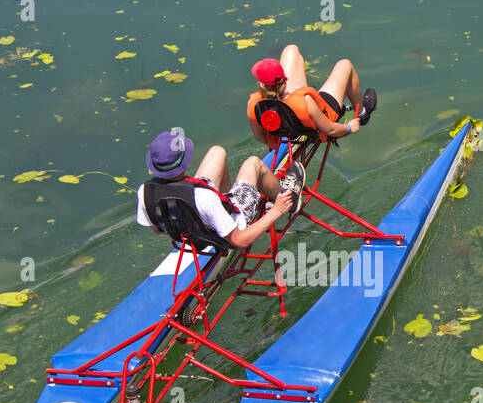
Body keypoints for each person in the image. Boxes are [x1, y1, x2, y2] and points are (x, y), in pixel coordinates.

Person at [137, 129, 293, 250]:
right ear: (184, 164)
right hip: (224, 231)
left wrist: (188, 228)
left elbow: (157, 230)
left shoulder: (144, 191)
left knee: (216, 152)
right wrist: (276, 211)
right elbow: (240, 241)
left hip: (196, 227)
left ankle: (220, 213)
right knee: (253, 163)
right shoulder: (204, 197)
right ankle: (286, 197)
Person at [247, 44, 377, 150]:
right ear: (284, 81)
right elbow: (330, 129)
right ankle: (362, 113)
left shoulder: (254, 104)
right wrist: (349, 127)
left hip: (287, 129)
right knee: (345, 65)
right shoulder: (305, 101)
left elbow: (259, 137)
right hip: (317, 125)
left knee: (291, 49)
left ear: (261, 84)